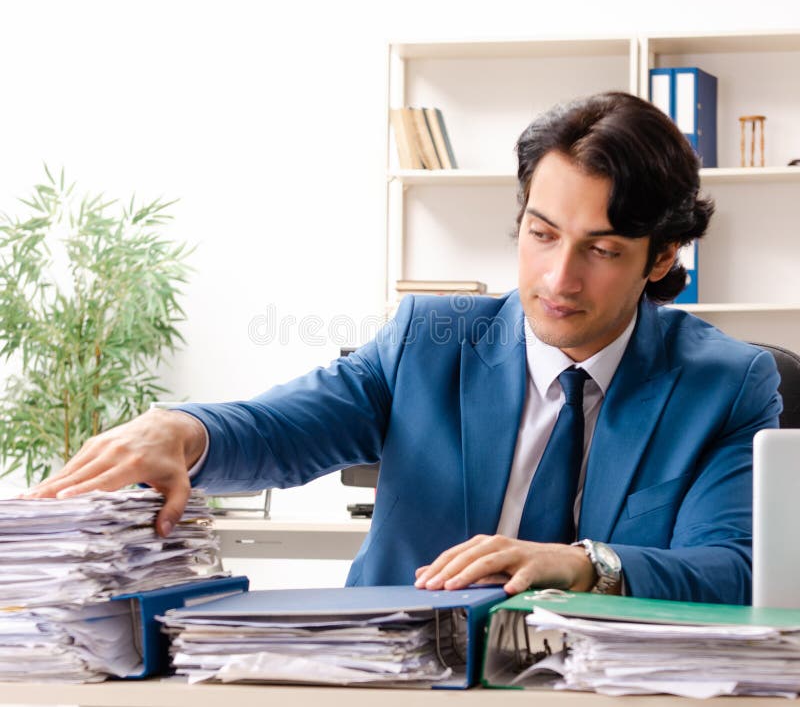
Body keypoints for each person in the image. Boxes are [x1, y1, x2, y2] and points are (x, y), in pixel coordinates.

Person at [28, 92, 781, 605]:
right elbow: (288, 425)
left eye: (603, 250)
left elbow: (736, 567)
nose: (558, 278)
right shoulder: (428, 340)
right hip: (397, 673)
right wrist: (185, 431)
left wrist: (583, 564)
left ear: (661, 257)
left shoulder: (725, 381)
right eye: (542, 234)